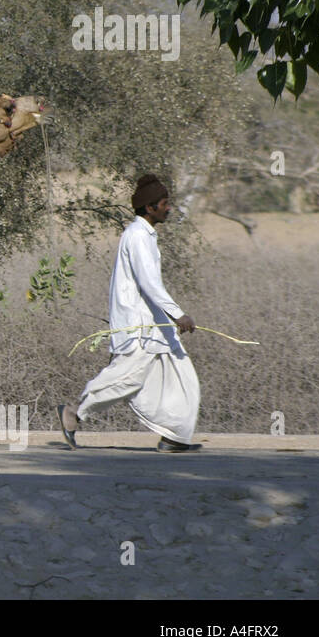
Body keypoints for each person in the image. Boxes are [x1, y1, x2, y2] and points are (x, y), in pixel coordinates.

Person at [56, 174, 201, 452]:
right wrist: (178, 314)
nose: (168, 208)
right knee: (126, 377)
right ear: (150, 208)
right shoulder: (136, 236)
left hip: (153, 323)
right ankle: (73, 414)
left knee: (180, 370)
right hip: (139, 326)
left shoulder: (145, 235)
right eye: (164, 203)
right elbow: (149, 282)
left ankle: (175, 436)